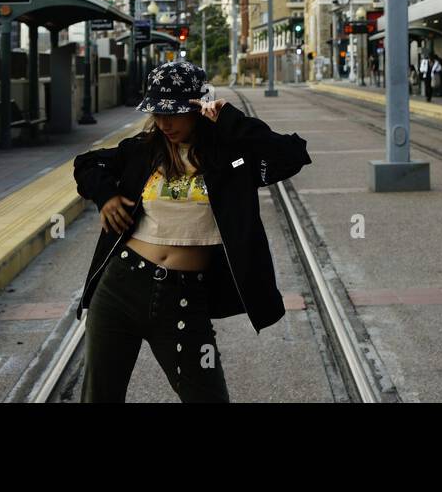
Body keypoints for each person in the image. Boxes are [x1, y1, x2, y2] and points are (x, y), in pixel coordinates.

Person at [71, 60, 311, 402]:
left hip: (183, 298)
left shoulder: (232, 160)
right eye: (157, 112)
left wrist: (229, 119)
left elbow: (292, 154)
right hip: (120, 288)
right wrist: (106, 195)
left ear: (198, 107)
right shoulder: (143, 150)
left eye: (175, 112)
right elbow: (87, 163)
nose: (164, 122)